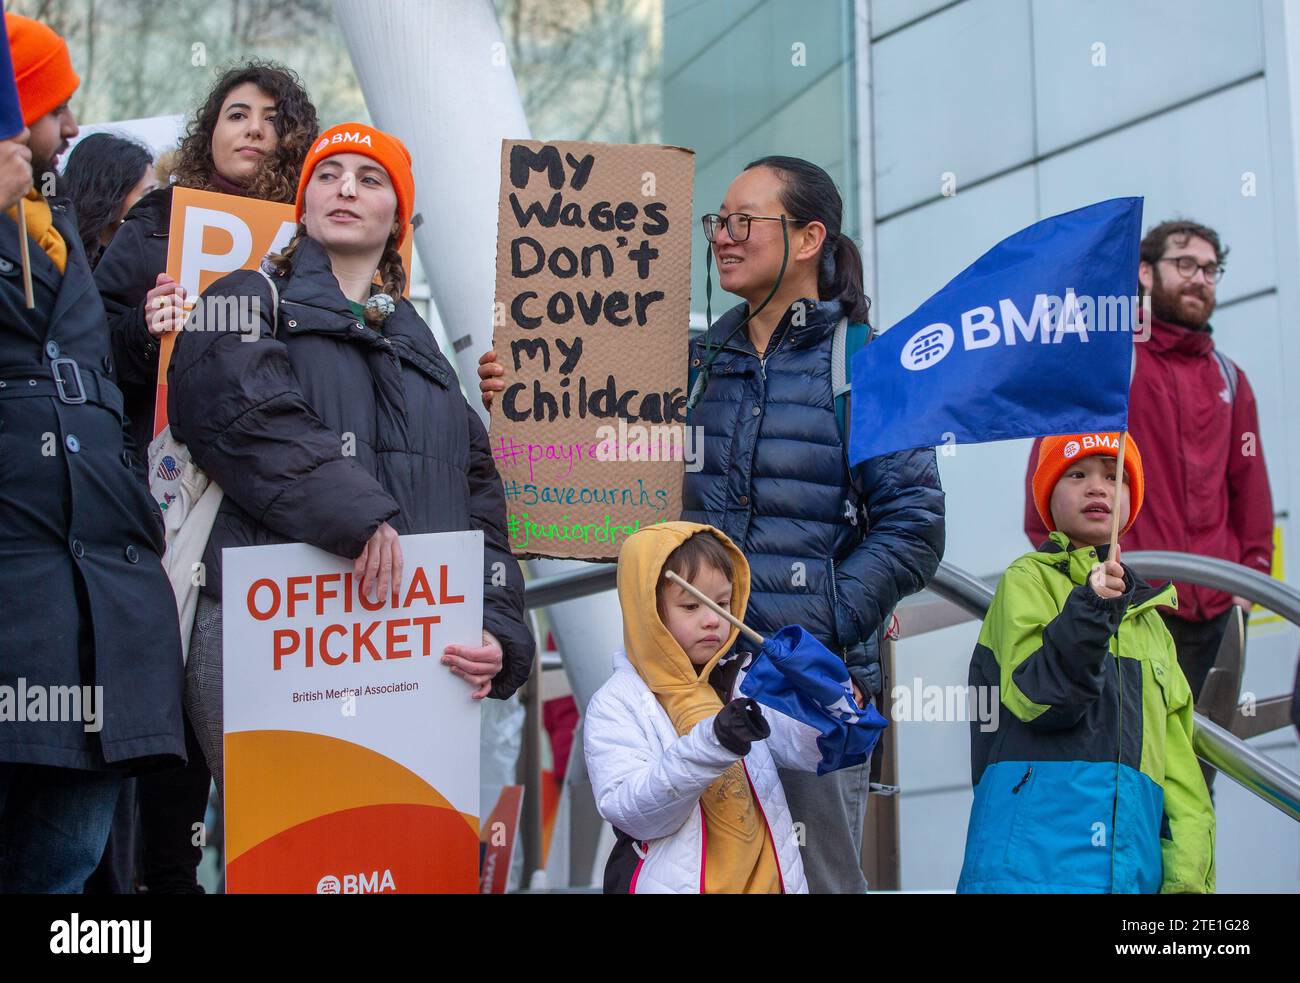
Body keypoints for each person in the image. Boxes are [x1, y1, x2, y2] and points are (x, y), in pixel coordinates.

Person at [482, 156, 945, 893]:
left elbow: (914, 525)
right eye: (718, 223)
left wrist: (817, 623)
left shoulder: (870, 364)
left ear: (808, 237)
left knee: (816, 880)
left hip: (800, 688)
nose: (722, 237)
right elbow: (604, 466)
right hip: (685, 687)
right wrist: (528, 393)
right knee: (684, 872)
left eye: (743, 221)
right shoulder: (693, 363)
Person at [167, 122, 535, 799]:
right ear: (303, 205)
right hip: (275, 639)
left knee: (390, 853)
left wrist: (497, 629)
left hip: (406, 658)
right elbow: (245, 412)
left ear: (398, 219)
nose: (345, 188)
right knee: (292, 846)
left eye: (370, 180)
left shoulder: (430, 364)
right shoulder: (246, 298)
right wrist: (362, 517)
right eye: (328, 175)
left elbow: (482, 510)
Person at [92, 61, 319, 894]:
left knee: (285, 772)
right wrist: (138, 331)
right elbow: (91, 342)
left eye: (271, 117)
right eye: (236, 113)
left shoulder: (316, 240)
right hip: (169, 515)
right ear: (209, 130)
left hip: (278, 524)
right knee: (173, 764)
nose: (252, 128)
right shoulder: (155, 223)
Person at [0, 12, 184, 893]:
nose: (72, 127)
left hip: (104, 614)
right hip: (23, 610)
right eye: (51, 105)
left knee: (68, 868)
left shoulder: (56, 227)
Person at [1022, 220, 1273, 702]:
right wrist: (1085, 585)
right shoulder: (1111, 364)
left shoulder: (1231, 378)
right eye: (1184, 264)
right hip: (1131, 602)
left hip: (1219, 612)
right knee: (1135, 764)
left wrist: (1247, 589)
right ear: (1146, 273)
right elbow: (1051, 479)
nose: (1199, 277)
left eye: (1210, 268)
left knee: (1200, 771)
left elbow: (1252, 495)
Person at [961, 433, 1215, 893]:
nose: (1097, 488)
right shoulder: (1028, 580)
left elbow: (1182, 779)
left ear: (1130, 501)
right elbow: (1040, 698)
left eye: (1114, 477)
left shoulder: (1153, 622)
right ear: (1047, 497)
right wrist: (1092, 608)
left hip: (1129, 874)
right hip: (1030, 872)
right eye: (1077, 474)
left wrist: (1187, 882)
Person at [585, 521, 876, 893]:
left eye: (722, 604)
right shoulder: (617, 703)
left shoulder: (740, 680)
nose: (712, 619)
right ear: (648, 611)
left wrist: (834, 704)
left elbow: (804, 746)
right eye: (691, 605)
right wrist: (713, 743)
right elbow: (635, 814)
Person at [59, 132, 156, 268]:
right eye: (148, 193)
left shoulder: (146, 255)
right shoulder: (67, 262)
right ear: (112, 197)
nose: (156, 201)